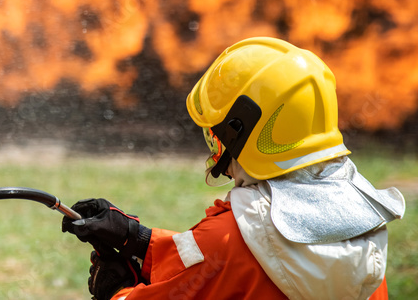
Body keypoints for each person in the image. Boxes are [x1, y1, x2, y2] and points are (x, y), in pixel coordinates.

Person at [61, 37, 405, 300]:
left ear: (244, 134)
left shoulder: (230, 240)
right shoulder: (358, 229)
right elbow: (222, 263)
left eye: (216, 138)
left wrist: (118, 289)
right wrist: (138, 239)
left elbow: (219, 258)